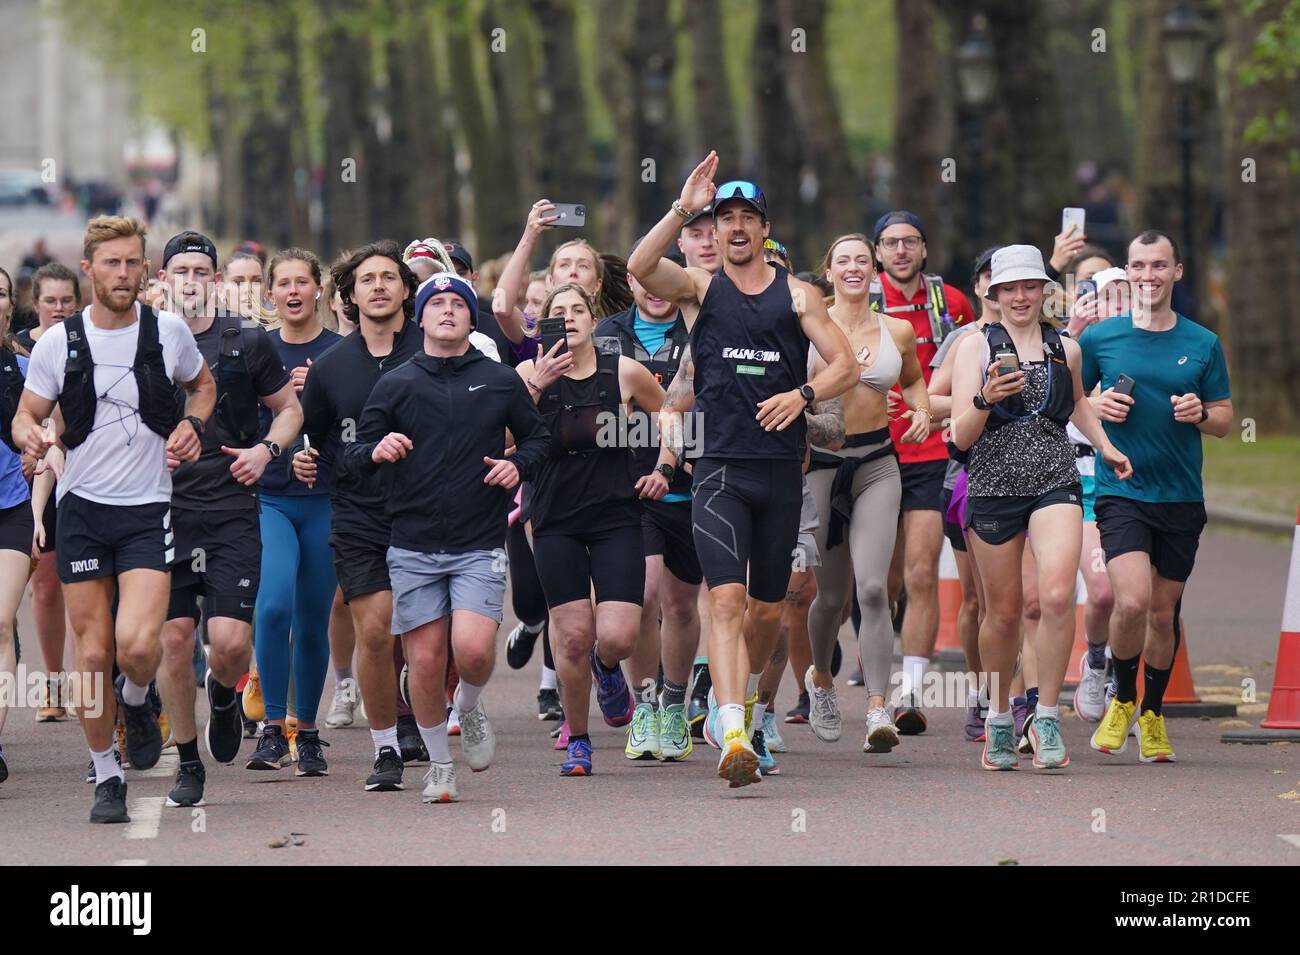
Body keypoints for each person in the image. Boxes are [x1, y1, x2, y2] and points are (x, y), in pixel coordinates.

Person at [628, 153, 856, 787]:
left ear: (763, 228)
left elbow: (845, 367)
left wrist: (802, 397)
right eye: (722, 218)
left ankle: (747, 706)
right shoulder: (702, 290)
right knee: (723, 600)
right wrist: (680, 207)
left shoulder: (799, 294)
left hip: (782, 471)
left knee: (767, 608)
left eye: (744, 218)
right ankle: (732, 730)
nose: (733, 228)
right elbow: (639, 267)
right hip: (720, 469)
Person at [14, 216, 216, 823]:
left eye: (133, 263)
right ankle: (106, 774)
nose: (123, 274)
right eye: (111, 263)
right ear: (89, 269)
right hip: (82, 511)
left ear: (145, 269)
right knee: (93, 655)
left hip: (147, 509)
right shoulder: (59, 343)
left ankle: (136, 697)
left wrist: (194, 424)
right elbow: (28, 414)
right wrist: (31, 437)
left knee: (136, 647)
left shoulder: (167, 332)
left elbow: (202, 387)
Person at [343, 271, 550, 801]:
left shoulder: (499, 380)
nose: (448, 311)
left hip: (478, 541)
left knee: (474, 651)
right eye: (437, 304)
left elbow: (539, 438)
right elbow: (354, 456)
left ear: (470, 318)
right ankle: (440, 766)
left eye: (458, 304)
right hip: (412, 543)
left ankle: (472, 707)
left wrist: (518, 466)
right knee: (427, 662)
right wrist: (376, 450)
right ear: (422, 319)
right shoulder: (396, 383)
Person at [951, 245, 1131, 771]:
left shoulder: (1066, 348)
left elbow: (1075, 402)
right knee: (1003, 613)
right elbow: (958, 438)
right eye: (1010, 288)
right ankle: (1000, 719)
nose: (1021, 297)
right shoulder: (973, 347)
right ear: (994, 293)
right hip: (991, 482)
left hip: (1055, 478)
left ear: (1043, 290)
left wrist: (1106, 446)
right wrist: (985, 398)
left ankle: (1047, 716)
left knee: (1056, 595)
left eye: (1031, 286)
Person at [154, 231, 302, 808]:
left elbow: (289, 411)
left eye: (200, 270)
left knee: (231, 644)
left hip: (230, 507)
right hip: (162, 509)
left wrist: (267, 451)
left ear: (215, 281)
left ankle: (221, 694)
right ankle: (188, 764)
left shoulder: (246, 339)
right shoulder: (145, 339)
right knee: (172, 640)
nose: (190, 279)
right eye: (179, 270)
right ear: (164, 279)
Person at [1082, 230, 1231, 763]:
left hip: (1181, 495)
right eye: (1139, 267)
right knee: (1132, 600)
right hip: (1122, 487)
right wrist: (1098, 407)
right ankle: (1123, 698)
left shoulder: (1202, 342)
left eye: (1159, 266)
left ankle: (1152, 713)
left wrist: (1201, 415)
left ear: (1177, 272)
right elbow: (1073, 402)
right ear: (1127, 272)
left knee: (1163, 613)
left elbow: (1225, 419)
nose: (1148, 276)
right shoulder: (1101, 339)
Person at [514, 283, 665, 776]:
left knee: (618, 635)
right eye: (559, 312)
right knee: (573, 636)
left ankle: (607, 668)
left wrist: (663, 467)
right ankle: (579, 738)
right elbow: (500, 436)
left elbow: (673, 416)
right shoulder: (523, 375)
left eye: (579, 310)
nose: (570, 318)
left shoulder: (622, 371)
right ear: (544, 324)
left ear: (594, 321)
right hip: (554, 518)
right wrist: (536, 384)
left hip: (616, 515)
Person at [294, 240, 424, 791]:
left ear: (405, 290)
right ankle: (388, 745)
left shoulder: (434, 350)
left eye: (388, 277)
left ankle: (433, 716)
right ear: (349, 294)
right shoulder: (329, 368)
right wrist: (304, 459)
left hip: (430, 512)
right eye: (366, 279)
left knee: (430, 638)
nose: (377, 286)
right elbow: (315, 437)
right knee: (375, 630)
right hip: (359, 514)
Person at [803, 234, 931, 754]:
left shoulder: (896, 330)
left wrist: (921, 412)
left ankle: (879, 708)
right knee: (830, 596)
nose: (853, 268)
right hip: (823, 467)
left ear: (874, 269)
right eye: (843, 261)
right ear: (829, 271)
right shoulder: (809, 326)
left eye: (862, 260)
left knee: (875, 589)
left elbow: (917, 381)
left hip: (878, 462)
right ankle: (822, 682)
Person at [871, 211, 976, 735]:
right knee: (878, 583)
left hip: (930, 454)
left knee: (920, 573)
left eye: (911, 242)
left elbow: (970, 371)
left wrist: (934, 414)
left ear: (925, 249)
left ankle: (910, 691)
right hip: (870, 455)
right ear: (877, 253)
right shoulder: (857, 301)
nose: (901, 251)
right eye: (891, 243)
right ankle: (869, 680)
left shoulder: (951, 304)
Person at [596, 244, 701, 763]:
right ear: (633, 283)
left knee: (682, 604)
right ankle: (643, 705)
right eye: (645, 282)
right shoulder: (608, 334)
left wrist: (673, 450)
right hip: (630, 488)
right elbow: (601, 418)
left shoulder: (701, 325)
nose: (655, 291)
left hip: (692, 484)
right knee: (643, 595)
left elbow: (701, 410)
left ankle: (675, 705)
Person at [246, 248, 342, 776]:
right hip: (272, 498)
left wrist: (319, 398)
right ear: (270, 295)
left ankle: (306, 733)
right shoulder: (257, 349)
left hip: (325, 499)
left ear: (319, 289)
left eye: (303, 281)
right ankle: (271, 729)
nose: (293, 292)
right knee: (274, 605)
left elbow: (357, 423)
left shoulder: (339, 351)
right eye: (283, 284)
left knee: (311, 620)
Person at [927, 246, 999, 741]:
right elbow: (930, 401)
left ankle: (1023, 699)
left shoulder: (1050, 338)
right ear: (977, 287)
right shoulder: (963, 338)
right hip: (966, 477)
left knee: (1024, 600)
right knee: (977, 597)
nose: (1004, 288)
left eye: (1017, 281)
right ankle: (982, 690)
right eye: (992, 278)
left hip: (1036, 479)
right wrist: (979, 399)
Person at [1064, 261, 1129, 721]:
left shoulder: (1149, 349)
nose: (1120, 304)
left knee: (1137, 600)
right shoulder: (1077, 348)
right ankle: (1096, 660)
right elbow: (1048, 404)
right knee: (1103, 592)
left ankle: (1122, 690)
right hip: (1085, 484)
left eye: (1129, 294)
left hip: (1136, 483)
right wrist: (1089, 407)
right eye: (1111, 295)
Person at [17, 262, 81, 721]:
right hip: (27, 474)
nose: (59, 309)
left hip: (76, 471)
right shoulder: (19, 347)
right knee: (44, 583)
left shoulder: (87, 341)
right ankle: (52, 684)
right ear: (35, 303)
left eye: (67, 300)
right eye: (50, 301)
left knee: (76, 582)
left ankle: (85, 680)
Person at [0, 266, 44, 781]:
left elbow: (47, 431)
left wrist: (36, 510)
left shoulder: (24, 367)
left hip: (10, 505)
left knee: (2, 619)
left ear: (11, 306)